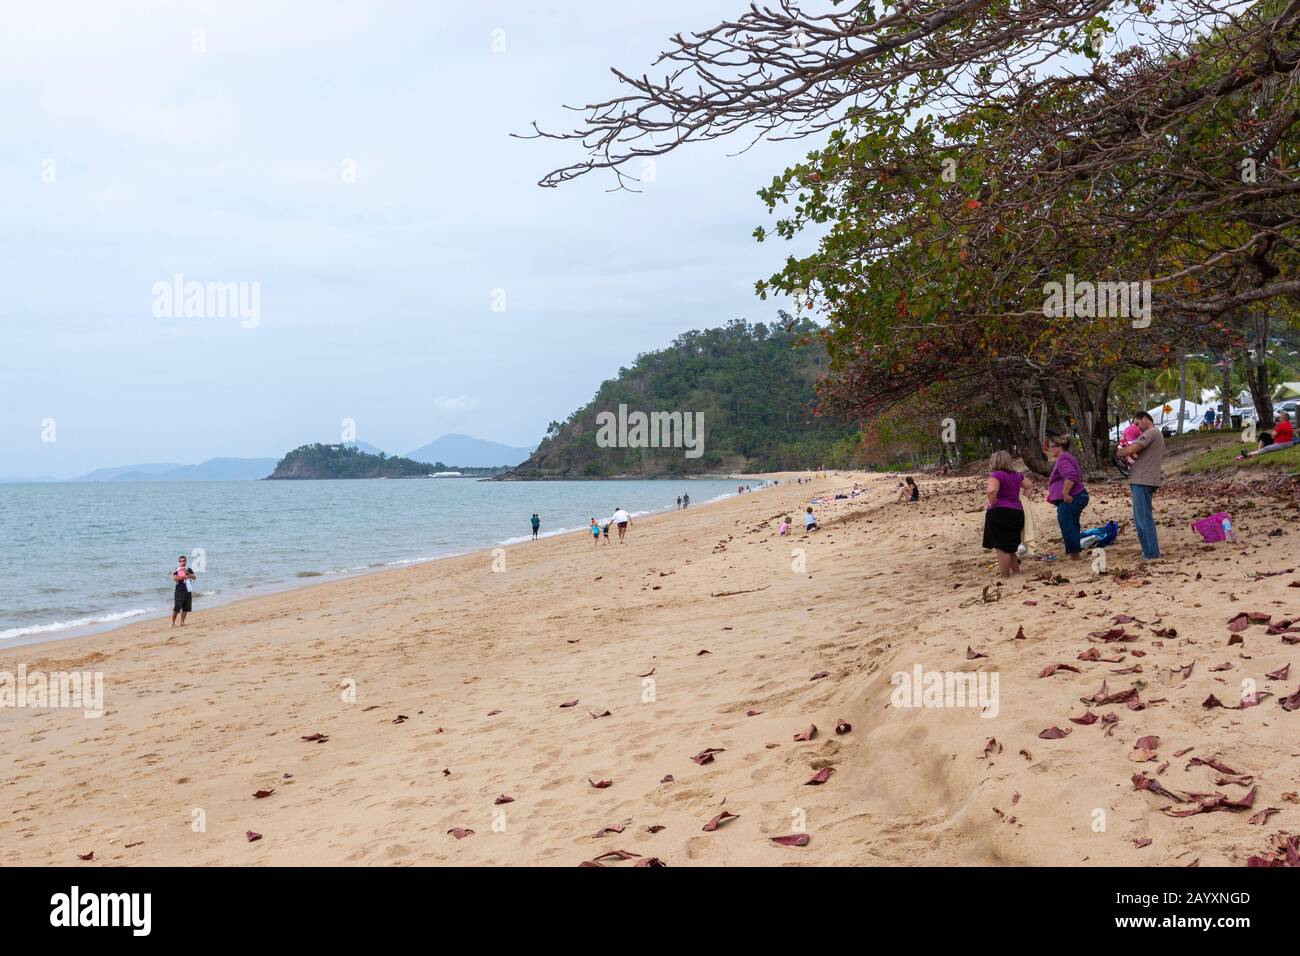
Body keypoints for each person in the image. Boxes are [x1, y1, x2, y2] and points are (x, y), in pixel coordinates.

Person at [1120, 411, 1165, 561]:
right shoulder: (1153, 434)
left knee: (1143, 519)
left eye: (1137, 423)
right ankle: (1148, 551)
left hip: (1144, 480)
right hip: (1141, 479)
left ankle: (1151, 553)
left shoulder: (1152, 432)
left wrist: (1120, 451)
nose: (1136, 428)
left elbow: (1132, 449)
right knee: (1140, 519)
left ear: (1145, 419)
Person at [982, 451, 1028, 579]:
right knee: (1011, 545)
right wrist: (1023, 500)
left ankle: (1005, 575)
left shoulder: (996, 475)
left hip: (1000, 512)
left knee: (1001, 547)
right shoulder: (1017, 475)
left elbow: (991, 491)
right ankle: (1016, 571)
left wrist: (992, 502)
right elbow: (1029, 486)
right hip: (1017, 512)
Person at [1046, 435, 1089, 559]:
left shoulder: (1063, 459)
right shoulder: (1065, 458)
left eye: (1051, 447)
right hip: (1077, 495)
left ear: (1059, 447)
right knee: (1071, 523)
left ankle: (1075, 554)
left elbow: (1071, 475)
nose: (1050, 450)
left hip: (1074, 496)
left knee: (1067, 523)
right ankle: (1075, 553)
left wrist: (1065, 493)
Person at [171, 555, 196, 627]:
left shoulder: (188, 569)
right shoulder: (177, 570)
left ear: (186, 561)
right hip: (179, 590)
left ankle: (182, 622)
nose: (182, 562)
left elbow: (194, 577)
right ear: (179, 562)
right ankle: (173, 623)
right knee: (177, 607)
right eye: (180, 561)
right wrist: (184, 577)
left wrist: (188, 574)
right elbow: (174, 579)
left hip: (188, 590)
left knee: (186, 607)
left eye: (183, 561)